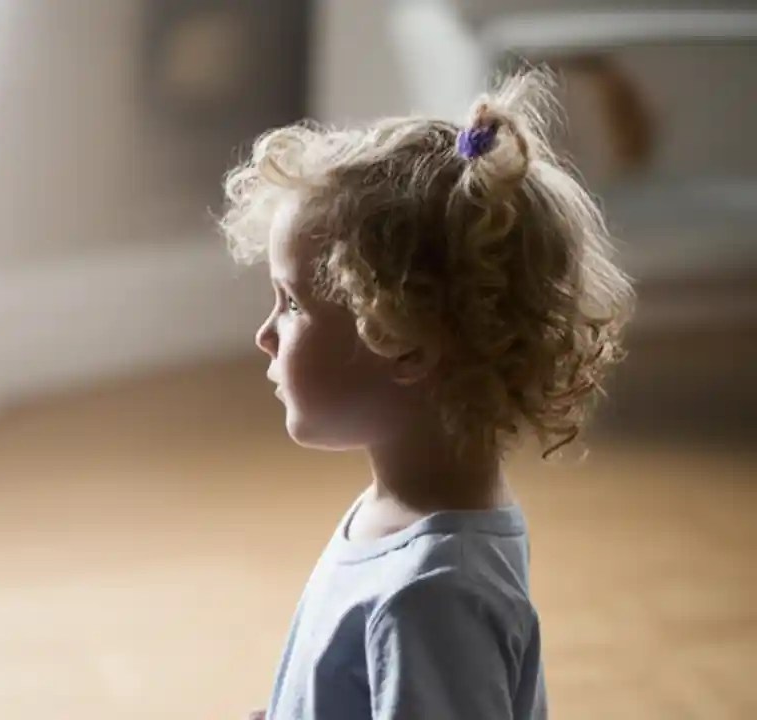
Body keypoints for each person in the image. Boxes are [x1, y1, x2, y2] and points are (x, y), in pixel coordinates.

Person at [219, 71, 633, 719]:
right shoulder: (399, 519)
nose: (265, 336)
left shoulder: (435, 596)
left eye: (293, 304)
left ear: (405, 340)